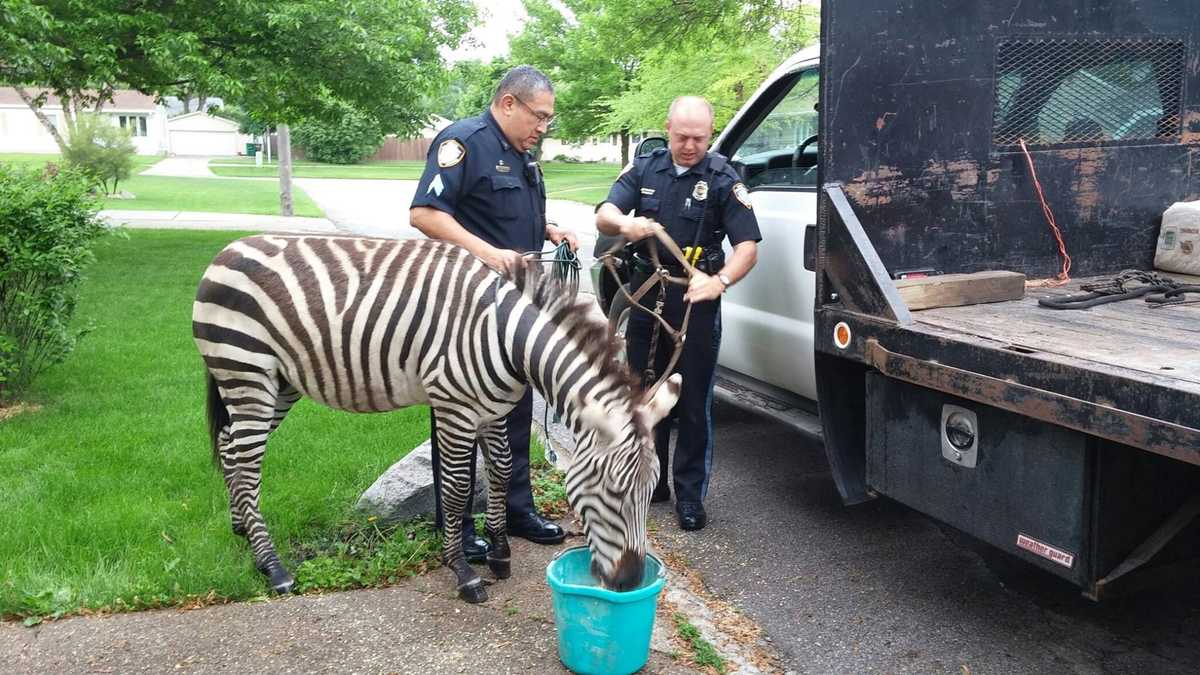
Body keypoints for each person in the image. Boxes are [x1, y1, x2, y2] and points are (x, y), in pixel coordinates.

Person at [409, 65, 576, 560]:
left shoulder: (522, 153)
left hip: (516, 307)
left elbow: (506, 211)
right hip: (468, 310)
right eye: (539, 116)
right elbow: (424, 214)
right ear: (508, 104)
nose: (544, 126)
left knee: (517, 406)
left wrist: (548, 229)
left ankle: (516, 511)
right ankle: (456, 528)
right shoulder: (463, 141)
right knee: (459, 415)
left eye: (548, 118)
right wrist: (487, 253)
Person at [595, 96, 760, 531]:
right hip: (647, 293)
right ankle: (651, 482)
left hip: (696, 299)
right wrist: (624, 224)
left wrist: (719, 281)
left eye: (699, 138)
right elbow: (605, 213)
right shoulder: (646, 168)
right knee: (645, 394)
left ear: (710, 133)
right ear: (667, 127)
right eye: (682, 136)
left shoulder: (724, 178)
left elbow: (748, 248)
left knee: (692, 399)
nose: (689, 146)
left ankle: (689, 495)